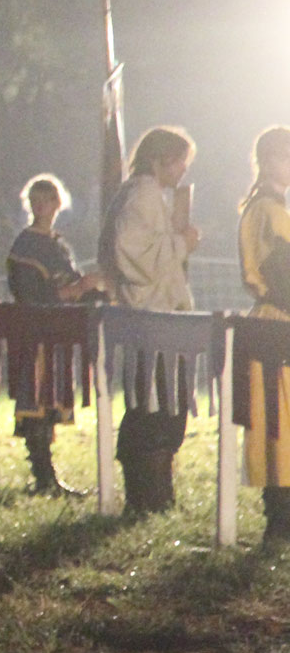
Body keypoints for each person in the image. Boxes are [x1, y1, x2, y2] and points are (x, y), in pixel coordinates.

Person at [98, 125, 202, 515]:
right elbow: (131, 254)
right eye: (179, 162)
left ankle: (155, 494)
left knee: (159, 405)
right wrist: (181, 243)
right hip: (153, 322)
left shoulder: (145, 194)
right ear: (160, 160)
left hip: (156, 322)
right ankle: (147, 496)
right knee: (156, 407)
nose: (183, 170)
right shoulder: (142, 194)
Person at [4, 174, 105, 495]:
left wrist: (96, 289)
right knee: (36, 400)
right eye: (34, 199)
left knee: (50, 401)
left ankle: (49, 479)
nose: (40, 205)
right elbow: (30, 293)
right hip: (36, 333)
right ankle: (43, 476)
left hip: (58, 333)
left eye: (46, 199)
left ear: (57, 203)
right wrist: (74, 290)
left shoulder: (57, 245)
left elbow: (74, 284)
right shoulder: (25, 245)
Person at [236, 125, 290, 545]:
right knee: (279, 424)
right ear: (269, 160)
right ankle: (279, 522)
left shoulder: (265, 207)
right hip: (279, 323)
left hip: (273, 320)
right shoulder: (269, 211)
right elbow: (281, 274)